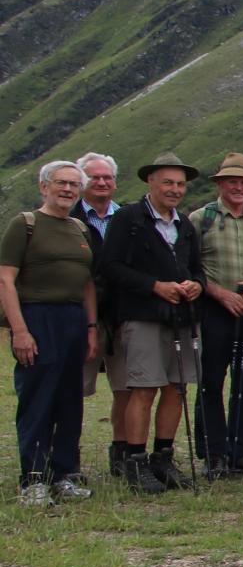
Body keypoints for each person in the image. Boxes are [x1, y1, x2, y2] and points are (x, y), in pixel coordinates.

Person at [98, 152, 208, 494]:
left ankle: (163, 458)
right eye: (168, 183)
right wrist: (154, 286)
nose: (175, 190)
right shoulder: (128, 219)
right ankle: (135, 460)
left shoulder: (184, 224)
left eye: (180, 184)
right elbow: (110, 266)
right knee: (143, 388)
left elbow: (196, 268)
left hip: (181, 317)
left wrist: (197, 284)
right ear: (151, 181)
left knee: (177, 388)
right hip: (142, 315)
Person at [1, 161, 97, 505]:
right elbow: (5, 279)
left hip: (74, 318)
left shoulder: (79, 228)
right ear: (44, 186)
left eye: (74, 184)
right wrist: (19, 330)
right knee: (38, 399)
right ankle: (33, 479)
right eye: (61, 183)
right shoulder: (25, 224)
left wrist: (91, 327)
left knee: (70, 400)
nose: (67, 189)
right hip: (38, 316)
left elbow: (87, 283)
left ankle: (63, 475)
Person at [190, 153, 243, 479]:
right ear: (220, 184)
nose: (239, 187)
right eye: (232, 182)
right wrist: (221, 294)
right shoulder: (201, 218)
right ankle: (213, 453)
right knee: (211, 381)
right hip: (214, 309)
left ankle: (242, 451)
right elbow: (191, 267)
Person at [76, 152, 129, 477]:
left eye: (107, 177)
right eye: (94, 177)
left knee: (125, 387)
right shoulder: (68, 218)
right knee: (75, 388)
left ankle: (121, 452)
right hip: (81, 316)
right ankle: (68, 456)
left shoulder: (127, 218)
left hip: (122, 316)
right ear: (82, 182)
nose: (102, 182)